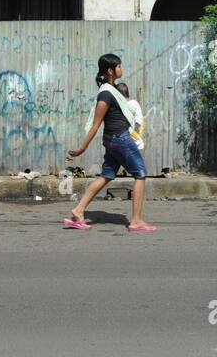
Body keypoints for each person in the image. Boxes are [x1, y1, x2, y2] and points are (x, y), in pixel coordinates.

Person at [62, 54, 155, 232]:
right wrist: (82, 148)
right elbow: (96, 124)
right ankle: (136, 221)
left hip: (113, 140)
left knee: (106, 176)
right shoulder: (105, 93)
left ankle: (78, 210)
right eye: (119, 66)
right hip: (120, 139)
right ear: (111, 71)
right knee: (140, 175)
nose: (122, 69)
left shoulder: (112, 89)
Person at [115, 82, 144, 151]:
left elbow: (138, 122)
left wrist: (130, 136)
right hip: (125, 141)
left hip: (132, 142)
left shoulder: (133, 104)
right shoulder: (122, 105)